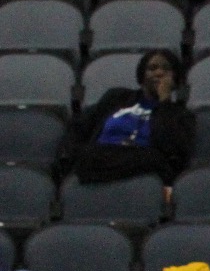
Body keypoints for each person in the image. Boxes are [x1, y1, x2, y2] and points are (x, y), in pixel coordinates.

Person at [70, 49, 193, 188]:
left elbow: (170, 148)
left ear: (174, 78)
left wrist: (164, 102)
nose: (159, 73)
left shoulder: (180, 114)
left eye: (166, 69)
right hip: (102, 154)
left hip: (143, 160)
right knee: (85, 155)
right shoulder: (116, 97)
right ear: (142, 74)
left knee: (153, 160)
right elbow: (80, 128)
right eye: (152, 68)